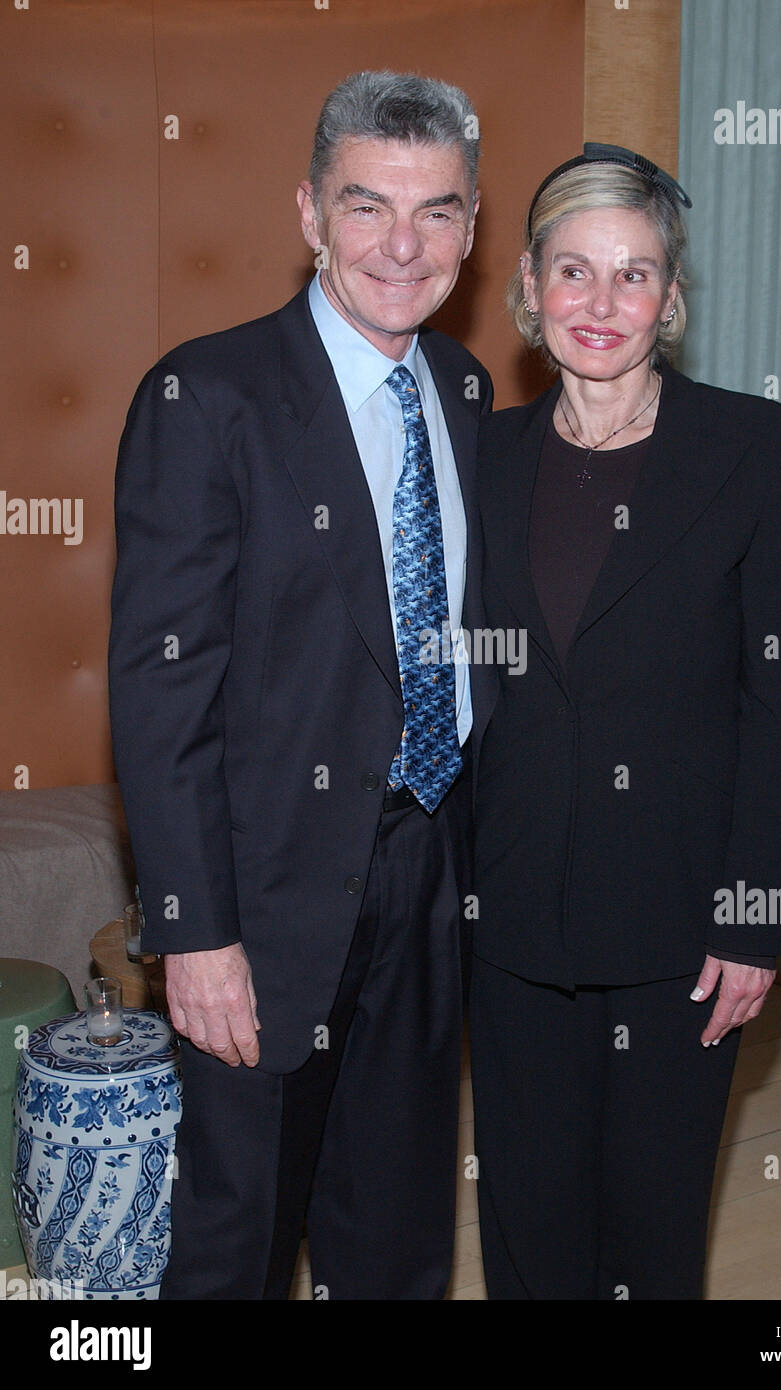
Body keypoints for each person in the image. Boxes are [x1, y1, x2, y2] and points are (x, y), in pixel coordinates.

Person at [108, 70, 495, 1300]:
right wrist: (194, 932)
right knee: (238, 1239)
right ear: (310, 214)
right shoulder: (205, 394)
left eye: (437, 211)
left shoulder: (471, 393)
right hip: (264, 896)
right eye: (367, 204)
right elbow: (159, 690)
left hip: (432, 872)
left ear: (473, 229)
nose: (401, 243)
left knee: (398, 1232)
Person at [469, 143, 781, 1300]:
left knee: (654, 1231)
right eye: (574, 270)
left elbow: (778, 698)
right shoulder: (483, 452)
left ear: (672, 296)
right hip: (510, 915)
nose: (600, 303)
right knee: (524, 1213)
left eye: (633, 273)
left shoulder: (756, 447)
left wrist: (758, 918)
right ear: (529, 285)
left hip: (681, 925)